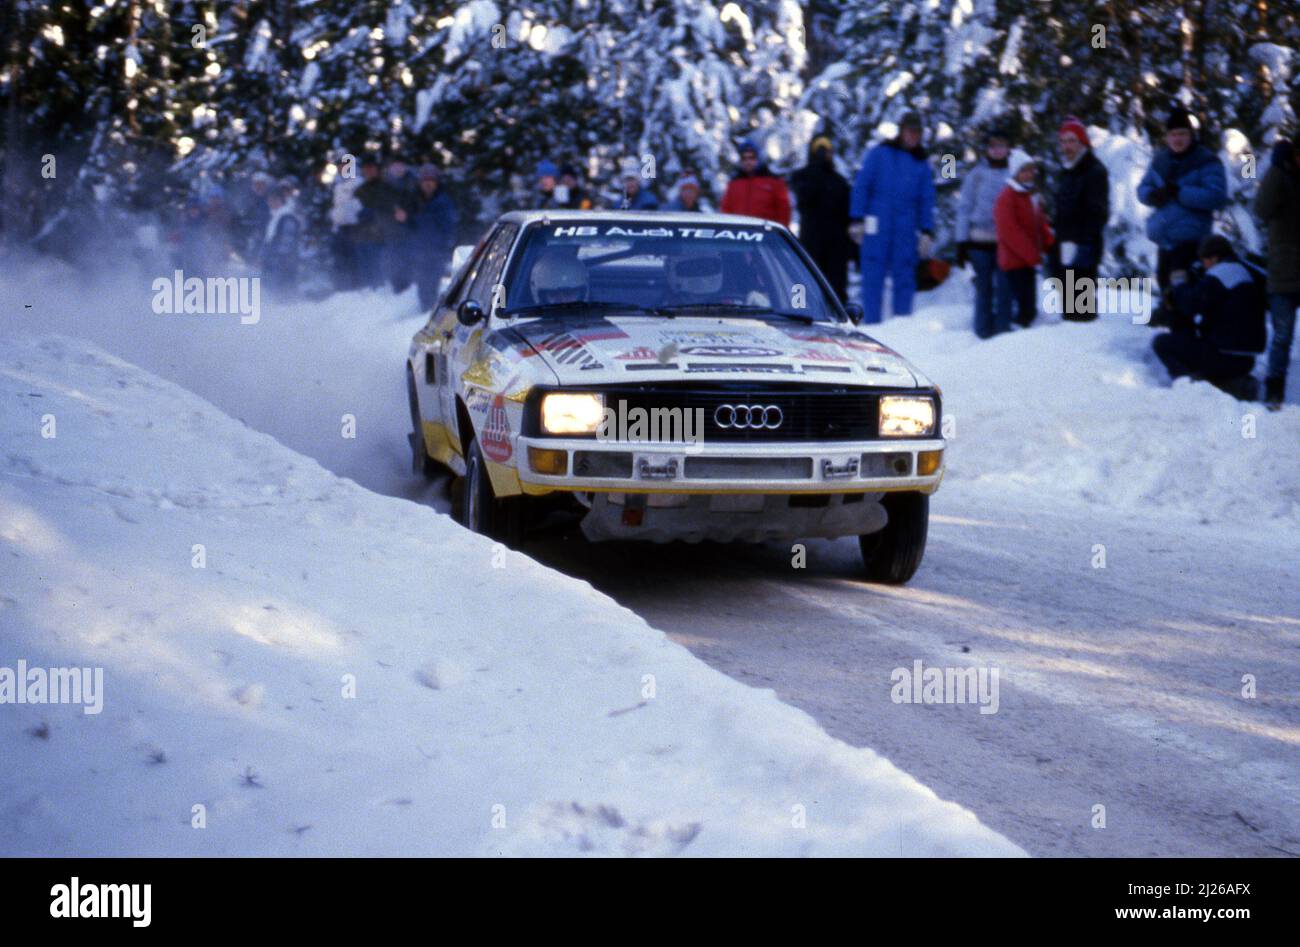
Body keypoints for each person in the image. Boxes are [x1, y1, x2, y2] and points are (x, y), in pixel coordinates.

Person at [1153, 234, 1267, 400]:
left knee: (1162, 343)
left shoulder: (1221, 273)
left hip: (1223, 356)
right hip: (1246, 360)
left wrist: (1179, 284)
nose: (1203, 266)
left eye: (1204, 260)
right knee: (1193, 340)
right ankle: (1236, 383)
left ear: (1214, 258)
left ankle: (1193, 390)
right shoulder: (1243, 272)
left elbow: (1191, 304)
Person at [848, 112, 935, 323]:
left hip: (905, 229)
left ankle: (902, 327)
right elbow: (862, 186)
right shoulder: (880, 153)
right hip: (876, 225)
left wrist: (927, 231)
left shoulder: (921, 164)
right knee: (872, 278)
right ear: (901, 131)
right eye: (909, 131)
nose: (913, 136)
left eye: (917, 133)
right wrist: (856, 218)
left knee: (904, 278)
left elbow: (927, 199)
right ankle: (872, 327)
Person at [1138, 105, 1228, 300]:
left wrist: (1180, 193)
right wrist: (1153, 195)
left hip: (1192, 243)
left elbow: (1216, 196)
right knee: (1166, 286)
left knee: (1185, 292)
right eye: (1173, 134)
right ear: (1167, 137)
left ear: (1191, 135)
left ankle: (1183, 326)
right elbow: (1142, 189)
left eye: (1182, 134)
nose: (1177, 139)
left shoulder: (1206, 160)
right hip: (1165, 241)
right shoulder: (1160, 160)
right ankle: (1170, 317)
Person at [1050, 117, 1110, 321]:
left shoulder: (1094, 171)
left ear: (1083, 142)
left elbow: (1098, 212)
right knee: (1068, 304)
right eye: (1064, 141)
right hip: (1065, 244)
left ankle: (1085, 345)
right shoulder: (1067, 170)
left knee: (1081, 307)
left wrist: (1085, 244)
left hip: (1084, 245)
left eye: (1072, 140)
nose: (1067, 146)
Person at [1255, 138, 1300, 408]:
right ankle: (1274, 392)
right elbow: (1261, 209)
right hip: (1284, 272)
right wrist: (1274, 169)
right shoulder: (1281, 178)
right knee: (1281, 336)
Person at [955, 129, 1012, 337]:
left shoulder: (1013, 174)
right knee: (984, 289)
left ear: (1008, 149)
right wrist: (962, 242)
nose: (997, 151)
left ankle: (1003, 332)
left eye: (1002, 146)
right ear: (987, 150)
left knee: (1005, 289)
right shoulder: (976, 175)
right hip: (979, 242)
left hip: (1006, 244)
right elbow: (964, 208)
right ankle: (982, 332)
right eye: (993, 146)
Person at [993, 149, 1054, 328]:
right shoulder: (1007, 197)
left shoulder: (1031, 195)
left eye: (1030, 170)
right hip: (1014, 262)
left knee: (1029, 307)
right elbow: (1010, 232)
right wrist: (1032, 255)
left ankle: (1027, 338)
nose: (1028, 175)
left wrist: (1049, 243)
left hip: (1028, 262)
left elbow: (1039, 223)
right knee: (1021, 308)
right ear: (1015, 173)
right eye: (1023, 171)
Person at [790, 136, 852, 303]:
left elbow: (847, 215)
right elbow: (804, 198)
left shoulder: (840, 182)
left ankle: (839, 320)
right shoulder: (802, 177)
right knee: (805, 282)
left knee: (836, 289)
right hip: (811, 242)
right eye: (820, 150)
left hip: (836, 245)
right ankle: (799, 312)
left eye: (827, 150)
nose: (824, 154)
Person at [407, 164, 460, 310]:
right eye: (425, 180)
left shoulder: (443, 202)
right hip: (419, 249)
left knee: (433, 282)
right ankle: (424, 309)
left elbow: (448, 227)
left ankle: (432, 310)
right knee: (422, 283)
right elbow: (410, 225)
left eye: (431, 180)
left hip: (436, 250)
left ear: (437, 182)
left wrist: (445, 247)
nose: (428, 184)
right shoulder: (416, 200)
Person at [352, 155, 404, 288]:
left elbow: (394, 209)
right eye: (366, 168)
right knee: (366, 272)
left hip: (383, 237)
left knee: (382, 272)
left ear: (377, 170)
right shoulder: (360, 190)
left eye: (371, 168)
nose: (368, 171)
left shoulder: (388, 187)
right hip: (363, 236)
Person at [720, 139, 791, 225]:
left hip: (766, 232)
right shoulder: (734, 183)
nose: (748, 162)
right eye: (744, 158)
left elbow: (784, 210)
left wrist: (779, 233)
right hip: (739, 231)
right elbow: (726, 209)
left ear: (758, 158)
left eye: (751, 157)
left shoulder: (774, 181)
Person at [260, 180, 302, 294]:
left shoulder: (286, 216)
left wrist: (278, 257)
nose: (271, 202)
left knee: (283, 290)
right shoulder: (274, 216)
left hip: (283, 261)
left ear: (281, 200)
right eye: (269, 199)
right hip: (273, 259)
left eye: (274, 199)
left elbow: (287, 240)